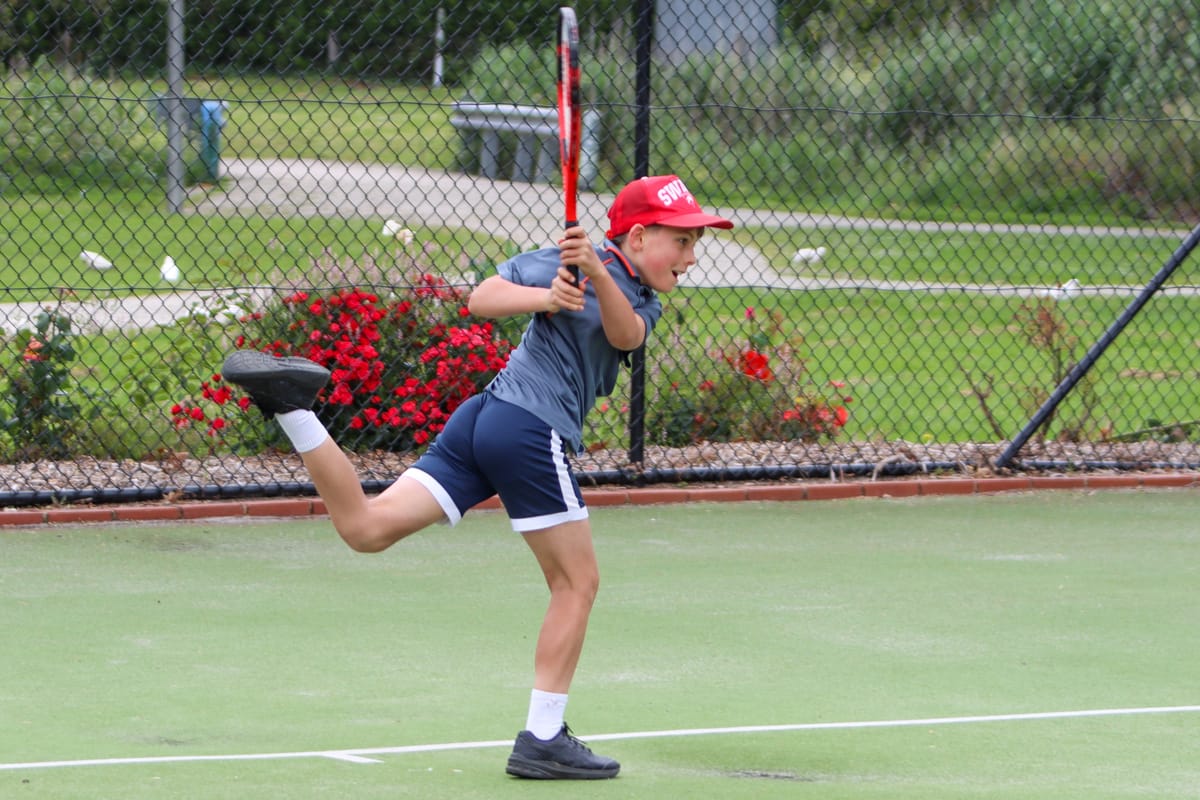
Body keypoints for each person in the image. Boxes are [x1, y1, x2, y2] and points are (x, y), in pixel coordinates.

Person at [221, 174, 734, 779]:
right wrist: (547, 297)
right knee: (578, 583)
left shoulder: (634, 292)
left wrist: (595, 273)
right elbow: (483, 298)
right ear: (642, 235)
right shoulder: (559, 263)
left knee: (366, 529)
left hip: (488, 420)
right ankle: (544, 737)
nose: (693, 256)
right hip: (526, 429)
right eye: (684, 241)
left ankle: (294, 410)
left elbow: (627, 335)